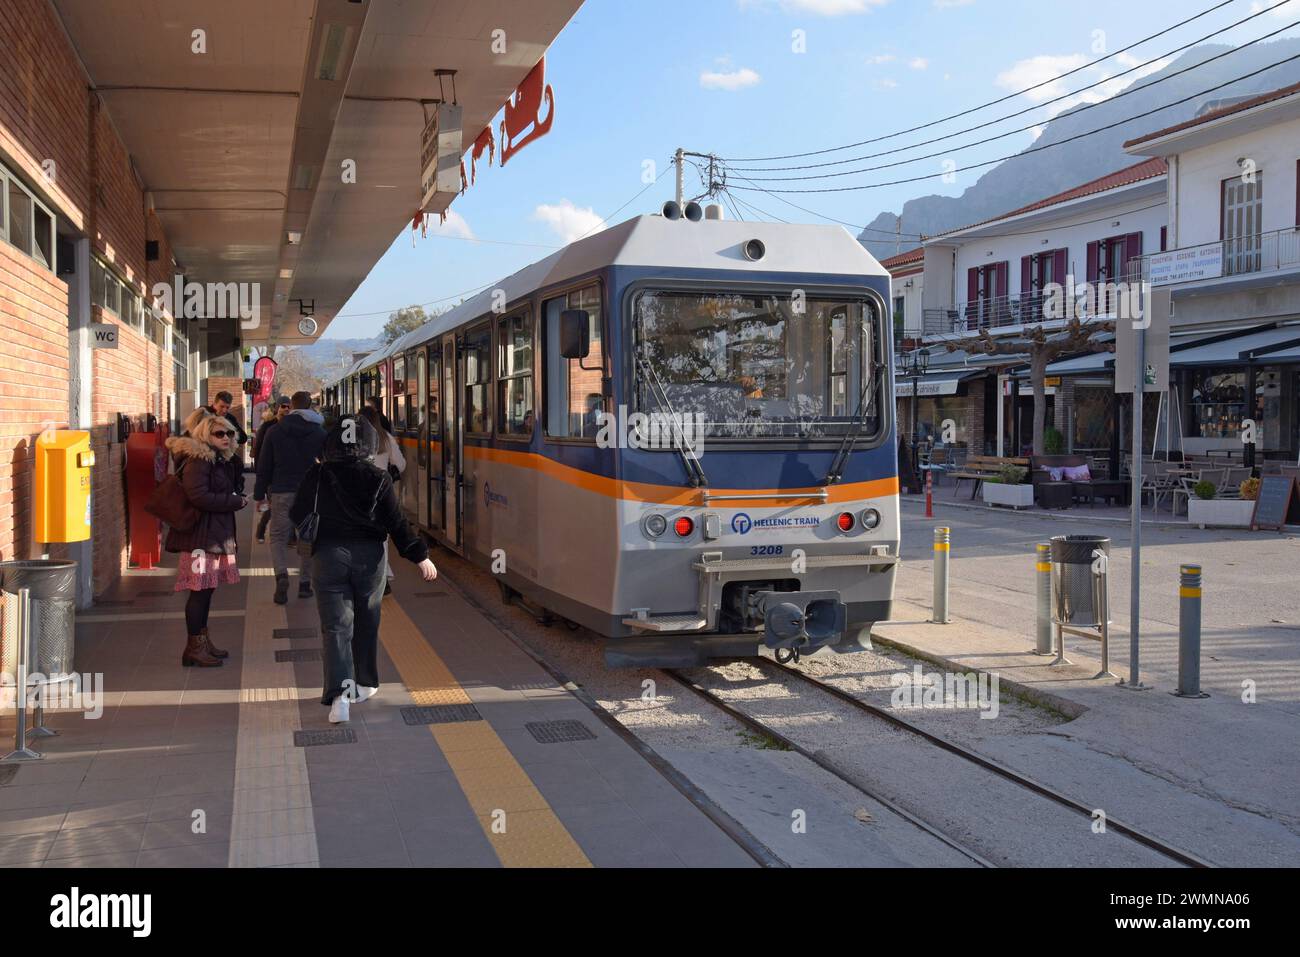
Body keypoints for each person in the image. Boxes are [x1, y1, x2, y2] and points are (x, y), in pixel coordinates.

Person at [292, 414, 436, 723]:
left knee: (335, 627)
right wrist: (419, 556)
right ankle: (366, 683)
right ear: (368, 445)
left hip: (328, 556)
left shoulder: (315, 476)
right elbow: (397, 523)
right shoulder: (378, 477)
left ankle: (339, 699)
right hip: (370, 558)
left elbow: (297, 513)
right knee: (367, 620)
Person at [164, 412, 248, 667]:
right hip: (200, 537)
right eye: (219, 433)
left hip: (212, 534)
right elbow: (198, 496)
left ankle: (201, 641)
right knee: (199, 592)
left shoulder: (218, 460)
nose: (226, 438)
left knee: (206, 590)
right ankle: (194, 647)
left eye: (229, 433)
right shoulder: (199, 461)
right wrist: (234, 501)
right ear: (205, 435)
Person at [255, 391, 326, 604]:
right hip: (309, 492)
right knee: (307, 537)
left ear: (292, 406)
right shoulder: (319, 432)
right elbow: (327, 463)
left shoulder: (275, 431)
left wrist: (259, 494)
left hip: (281, 490)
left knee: (277, 536)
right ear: (310, 406)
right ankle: (304, 584)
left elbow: (264, 465)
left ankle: (281, 576)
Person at [359, 406, 406, 594]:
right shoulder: (386, 437)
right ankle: (383, 578)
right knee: (382, 538)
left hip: (357, 493)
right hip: (381, 494)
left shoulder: (352, 438)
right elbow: (401, 464)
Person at [252, 402, 289, 544]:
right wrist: (260, 473)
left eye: (288, 406)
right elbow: (259, 451)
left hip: (286, 471)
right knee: (273, 504)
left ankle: (289, 536)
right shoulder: (268, 427)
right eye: (283, 406)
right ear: (277, 409)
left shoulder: (293, 427)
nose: (286, 409)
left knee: (282, 504)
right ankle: (261, 530)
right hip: (271, 473)